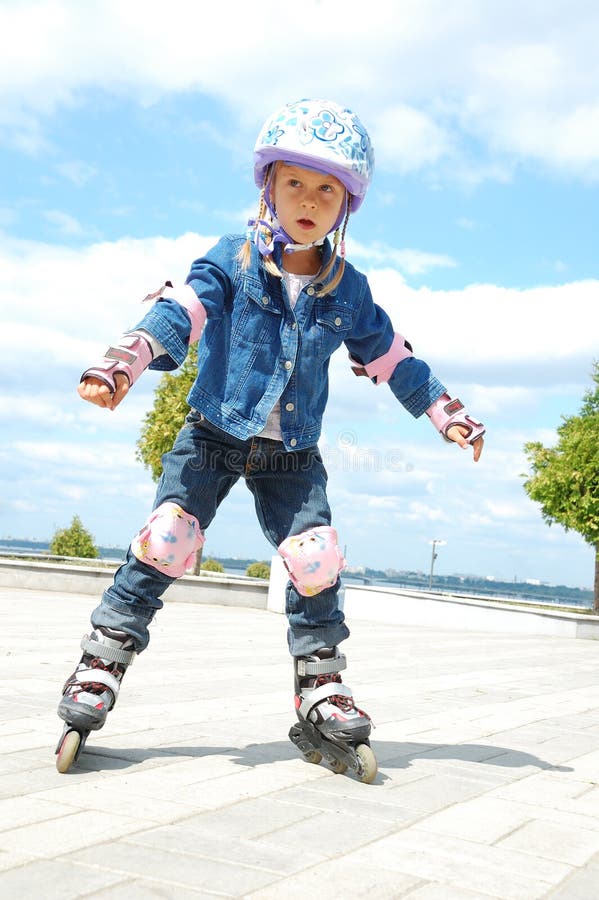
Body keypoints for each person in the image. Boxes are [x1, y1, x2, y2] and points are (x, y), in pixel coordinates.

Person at [56, 98, 484, 780]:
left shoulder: (348, 289)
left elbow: (390, 355)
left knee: (316, 559)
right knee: (167, 540)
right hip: (213, 434)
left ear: (345, 205)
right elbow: (182, 310)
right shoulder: (231, 259)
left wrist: (443, 412)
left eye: (327, 190)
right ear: (269, 186)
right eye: (295, 183)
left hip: (292, 453)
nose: (309, 200)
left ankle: (320, 684)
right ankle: (101, 661)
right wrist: (124, 363)